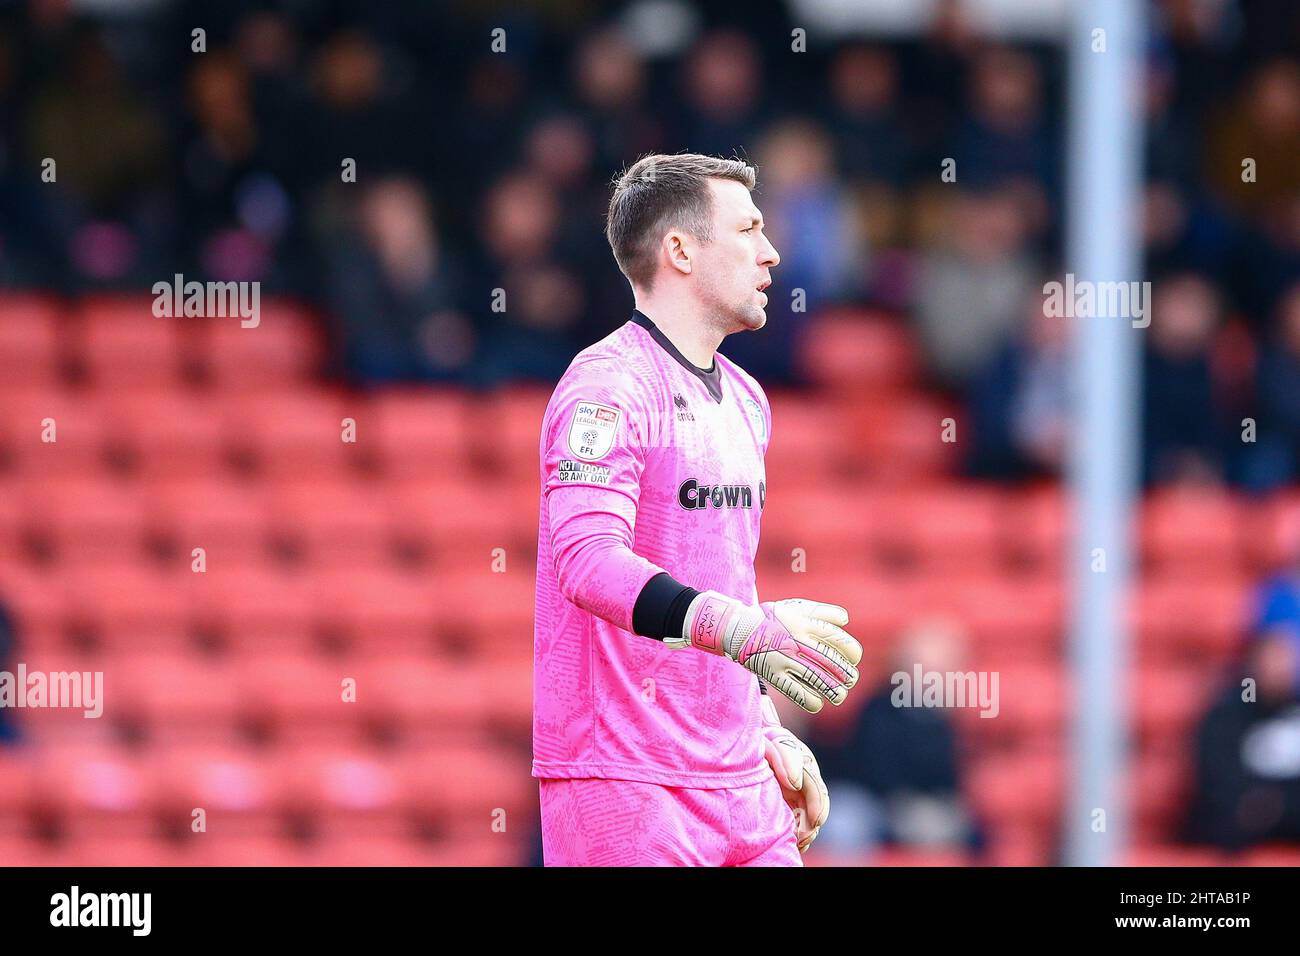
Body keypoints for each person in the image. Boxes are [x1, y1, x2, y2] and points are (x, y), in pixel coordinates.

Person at [532, 153, 862, 866]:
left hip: (741, 781)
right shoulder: (607, 386)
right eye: (748, 230)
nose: (771, 252)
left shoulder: (747, 399)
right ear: (680, 250)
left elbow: (722, 578)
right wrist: (742, 630)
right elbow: (586, 561)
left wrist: (765, 726)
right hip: (626, 781)